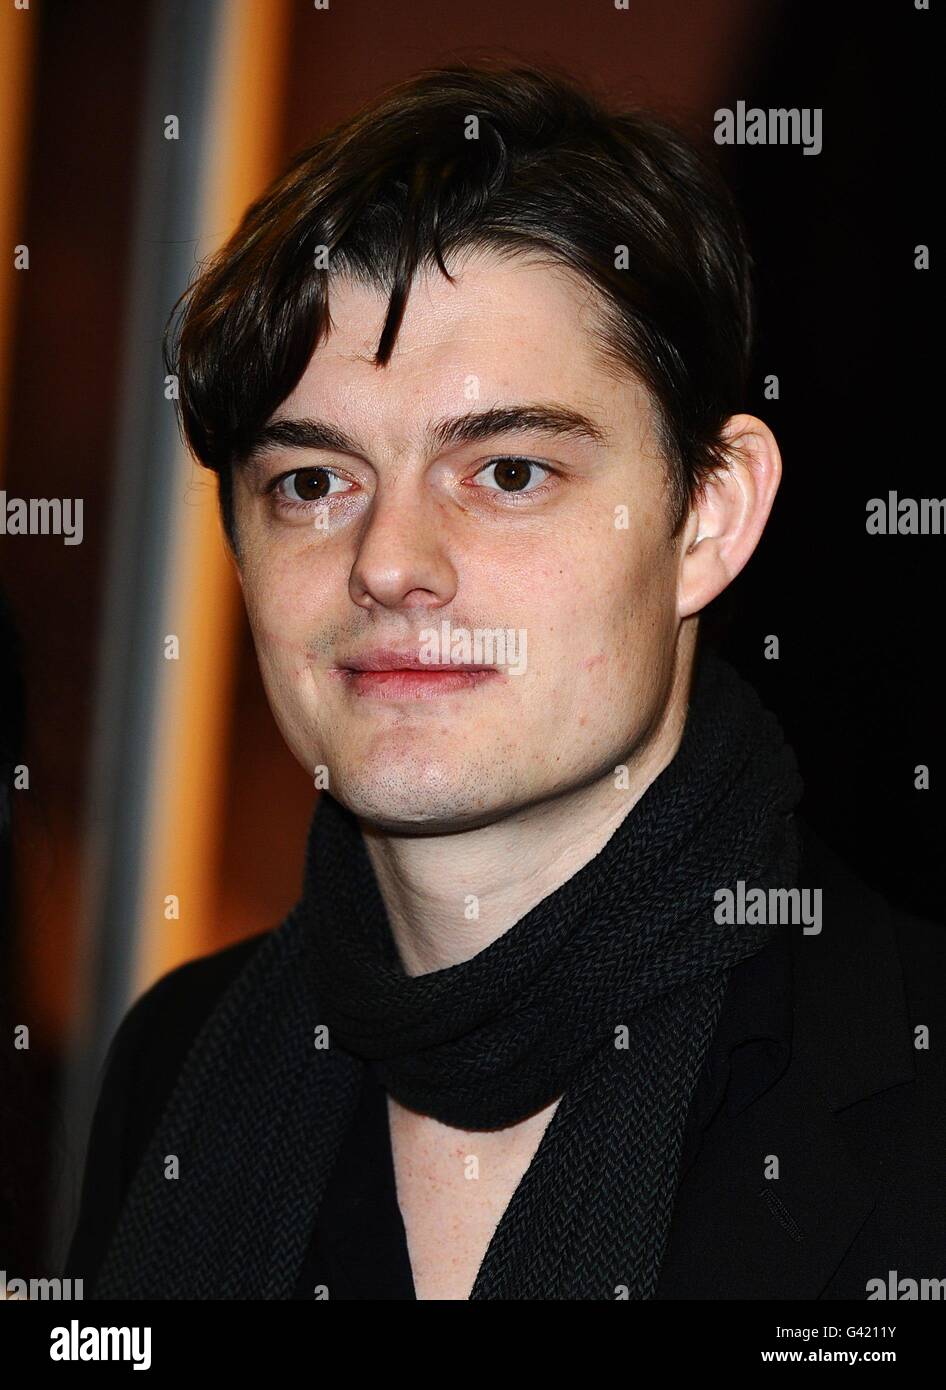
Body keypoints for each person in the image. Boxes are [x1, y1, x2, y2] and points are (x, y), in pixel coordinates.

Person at [64, 60, 946, 1301]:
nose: (388, 564)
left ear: (706, 515)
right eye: (312, 483)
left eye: (511, 472)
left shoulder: (914, 1095)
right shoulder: (178, 1059)